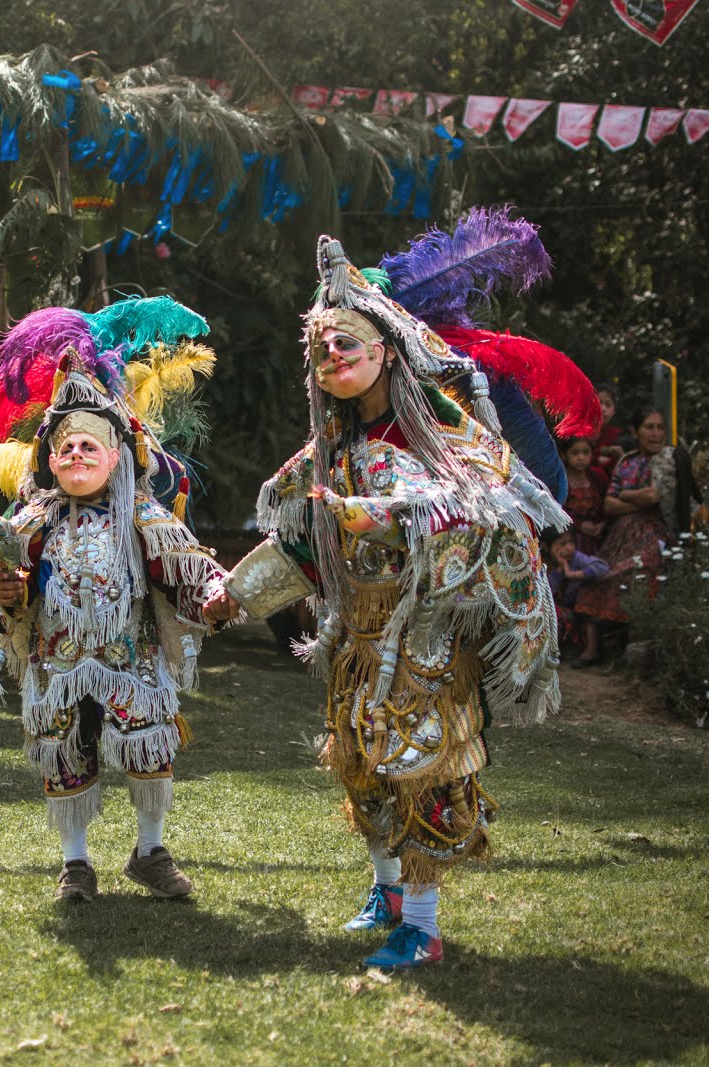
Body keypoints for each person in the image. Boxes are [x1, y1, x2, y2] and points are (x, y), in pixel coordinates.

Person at [219, 231, 571, 969]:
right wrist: (230, 598)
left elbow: (484, 514)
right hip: (356, 634)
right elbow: (301, 549)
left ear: (386, 348)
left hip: (427, 637)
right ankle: (384, 896)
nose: (334, 358)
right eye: (321, 350)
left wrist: (384, 516)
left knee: (423, 767)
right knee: (362, 763)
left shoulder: (442, 433)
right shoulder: (328, 451)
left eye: (347, 343)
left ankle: (424, 924)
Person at [0, 299, 231, 903]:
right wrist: (7, 593)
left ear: (115, 457)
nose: (76, 456)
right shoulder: (33, 519)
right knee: (63, 751)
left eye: (89, 448)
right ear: (50, 461)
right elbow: (2, 596)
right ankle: (75, 865)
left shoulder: (141, 514)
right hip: (57, 663)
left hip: (133, 657)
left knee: (150, 745)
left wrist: (211, 595)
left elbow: (182, 567)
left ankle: (150, 851)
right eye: (66, 449)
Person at [572, 409, 692, 666]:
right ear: (636, 432)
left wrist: (627, 496)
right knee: (598, 573)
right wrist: (638, 499)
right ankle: (592, 649)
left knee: (632, 571)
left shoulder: (671, 460)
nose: (656, 433)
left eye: (660, 427)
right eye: (649, 427)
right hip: (622, 534)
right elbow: (610, 505)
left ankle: (631, 650)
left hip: (657, 533)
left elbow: (657, 498)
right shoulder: (627, 462)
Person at [544, 528, 609, 653]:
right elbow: (547, 593)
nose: (569, 548)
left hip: (574, 614)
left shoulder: (577, 558)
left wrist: (572, 574)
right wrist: (559, 572)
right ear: (547, 546)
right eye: (563, 544)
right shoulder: (542, 563)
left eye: (571, 542)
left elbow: (602, 567)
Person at [559, 437, 609, 555]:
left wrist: (602, 524)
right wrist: (579, 525)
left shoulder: (598, 476)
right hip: (570, 531)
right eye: (575, 453)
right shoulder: (560, 479)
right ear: (564, 455)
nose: (581, 458)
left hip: (598, 529)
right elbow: (557, 508)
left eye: (586, 453)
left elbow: (607, 501)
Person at [589, 385, 627, 480]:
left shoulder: (617, 435)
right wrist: (596, 460)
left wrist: (621, 456)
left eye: (608, 405)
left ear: (613, 411)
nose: (603, 409)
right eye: (599, 403)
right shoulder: (578, 432)